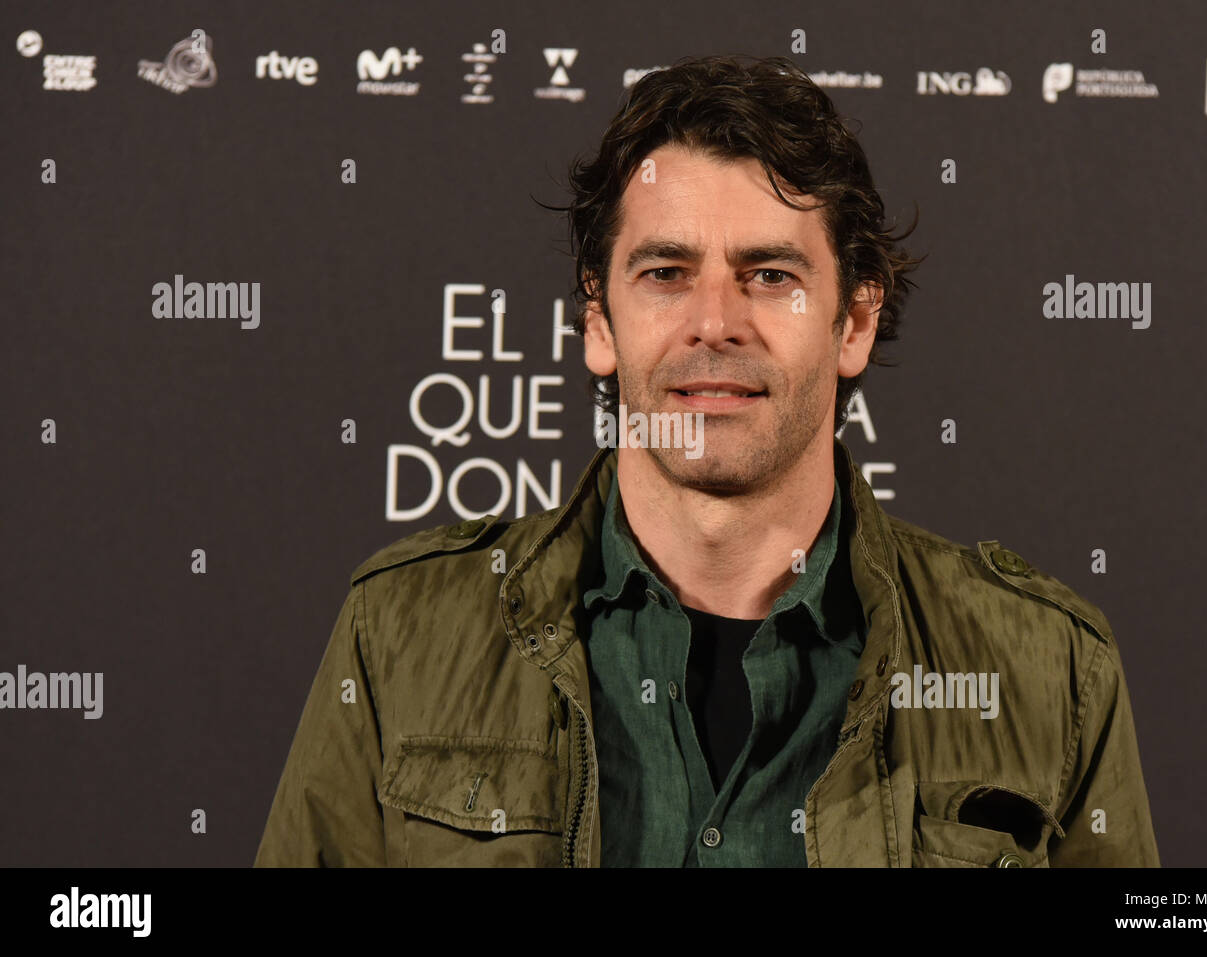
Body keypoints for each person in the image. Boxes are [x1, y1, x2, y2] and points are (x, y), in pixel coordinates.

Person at [254, 54, 1159, 868]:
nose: (714, 320)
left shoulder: (1048, 667)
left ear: (854, 322)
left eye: (770, 274)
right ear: (599, 322)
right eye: (665, 273)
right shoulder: (399, 632)